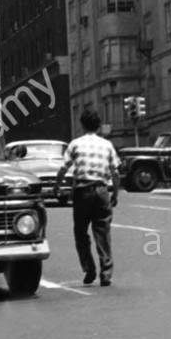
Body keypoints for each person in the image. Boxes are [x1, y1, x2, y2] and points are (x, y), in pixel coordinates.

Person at [55, 107, 121, 287]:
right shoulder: (107, 145)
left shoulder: (75, 144)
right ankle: (106, 273)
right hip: (101, 191)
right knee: (102, 232)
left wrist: (57, 186)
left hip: (82, 192)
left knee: (81, 233)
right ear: (99, 126)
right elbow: (115, 173)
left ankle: (89, 269)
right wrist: (114, 193)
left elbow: (63, 168)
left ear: (82, 125)